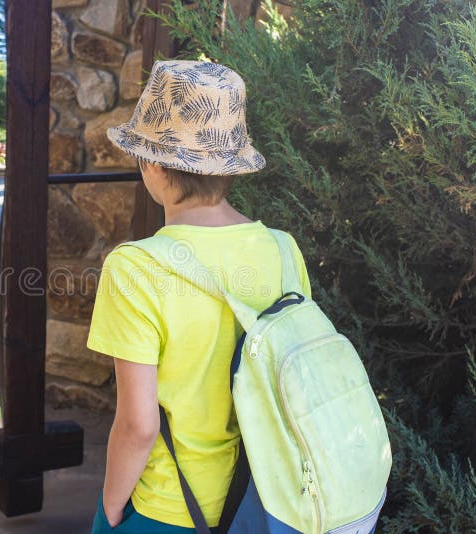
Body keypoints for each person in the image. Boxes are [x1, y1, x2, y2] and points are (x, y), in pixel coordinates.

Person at [87, 61, 312, 533]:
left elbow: (139, 426)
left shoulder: (135, 268)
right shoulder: (283, 249)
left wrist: (109, 510)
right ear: (230, 167)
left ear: (150, 163)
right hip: (267, 505)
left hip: (170, 509)